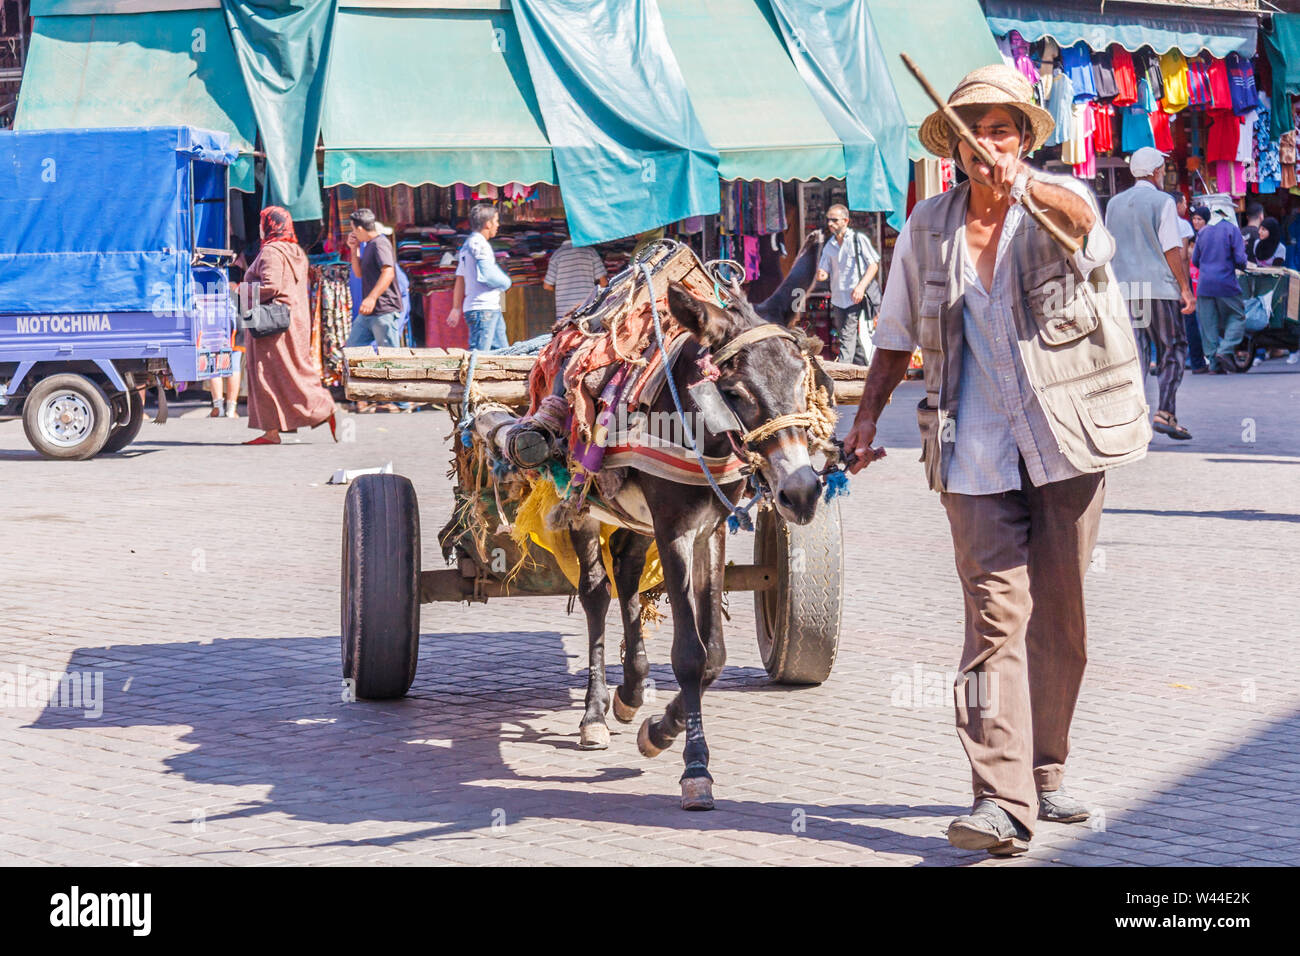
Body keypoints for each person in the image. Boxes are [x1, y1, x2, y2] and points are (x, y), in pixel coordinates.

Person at [844, 65, 1149, 857]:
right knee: (994, 621)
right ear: (953, 148)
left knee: (1063, 621)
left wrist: (1027, 188)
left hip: (1067, 442)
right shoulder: (928, 226)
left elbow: (1091, 232)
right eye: (972, 131)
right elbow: (896, 330)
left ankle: (1046, 768)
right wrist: (867, 417)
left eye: (1001, 130)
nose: (987, 144)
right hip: (973, 452)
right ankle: (999, 801)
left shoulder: (1061, 203)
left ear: (1020, 139)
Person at [1103, 148, 1196, 439]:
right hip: (1158, 289)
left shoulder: (1114, 204)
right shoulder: (1163, 202)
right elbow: (1172, 249)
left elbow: (1108, 248)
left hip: (1125, 289)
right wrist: (1184, 287)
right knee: (1173, 347)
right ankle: (1165, 412)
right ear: (1156, 172)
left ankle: (1132, 417)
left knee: (1136, 353)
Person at [238, 207, 338, 445]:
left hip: (270, 325)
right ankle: (280, 426)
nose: (260, 227)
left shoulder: (272, 251)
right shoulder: (296, 251)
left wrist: (240, 291)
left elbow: (271, 286)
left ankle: (318, 410)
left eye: (263, 222)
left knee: (266, 375)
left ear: (270, 225)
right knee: (291, 371)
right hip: (293, 320)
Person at [814, 204, 881, 365]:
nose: (830, 224)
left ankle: (842, 373)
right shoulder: (829, 245)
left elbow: (873, 265)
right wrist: (819, 274)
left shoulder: (858, 240)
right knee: (849, 336)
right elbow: (823, 271)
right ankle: (863, 368)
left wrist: (861, 287)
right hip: (838, 298)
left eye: (834, 220)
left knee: (846, 336)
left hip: (855, 297)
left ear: (845, 221)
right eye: (829, 220)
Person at [448, 203, 512, 350]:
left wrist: (456, 308)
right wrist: (506, 282)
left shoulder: (468, 245)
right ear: (488, 224)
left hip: (488, 308)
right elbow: (488, 275)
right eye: (496, 221)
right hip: (483, 309)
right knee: (480, 357)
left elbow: (460, 278)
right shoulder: (478, 244)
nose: (498, 225)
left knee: (503, 355)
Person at [1193, 208, 1248, 374]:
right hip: (1226, 284)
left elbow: (1195, 260)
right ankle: (1225, 349)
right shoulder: (1232, 230)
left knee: (1208, 325)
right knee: (1237, 316)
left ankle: (1214, 364)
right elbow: (1240, 259)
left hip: (1205, 285)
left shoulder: (1203, 232)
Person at [345, 208, 404, 349]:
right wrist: (354, 249)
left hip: (384, 310)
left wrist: (372, 298)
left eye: (353, 229)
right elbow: (359, 273)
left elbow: (388, 272)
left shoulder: (380, 244)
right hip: (368, 313)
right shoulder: (369, 245)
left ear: (359, 228)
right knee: (353, 349)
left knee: (389, 357)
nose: (353, 233)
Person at [1172, 193, 1209, 374]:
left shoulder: (1156, 222)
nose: (1186, 206)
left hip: (1160, 278)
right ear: (1178, 204)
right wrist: (1185, 286)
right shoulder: (1182, 224)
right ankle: (1196, 362)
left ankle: (1165, 362)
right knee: (1189, 320)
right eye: (1184, 203)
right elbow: (1183, 257)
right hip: (1179, 277)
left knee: (1165, 323)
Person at [544, 239, 608, 321]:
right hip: (586, 309)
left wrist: (562, 289)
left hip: (564, 312)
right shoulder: (590, 252)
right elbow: (603, 283)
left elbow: (547, 286)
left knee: (565, 334)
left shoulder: (557, 255)